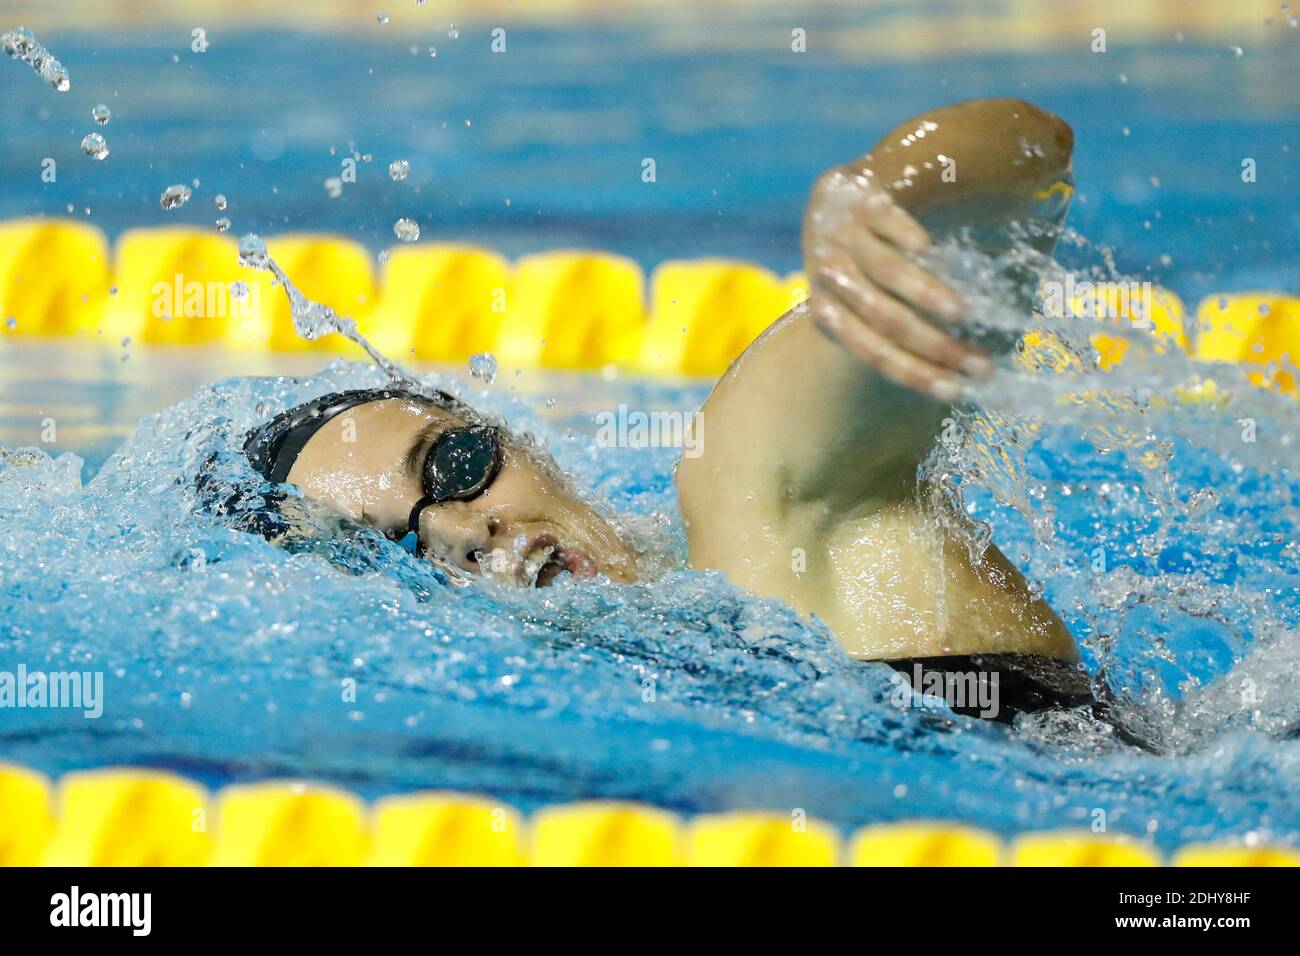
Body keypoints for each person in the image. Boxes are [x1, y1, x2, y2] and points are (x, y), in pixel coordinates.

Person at [224, 98, 1114, 731]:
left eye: (452, 466)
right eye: (394, 548)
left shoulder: (764, 503)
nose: (462, 528)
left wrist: (885, 189)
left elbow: (1027, 153)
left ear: (514, 435)